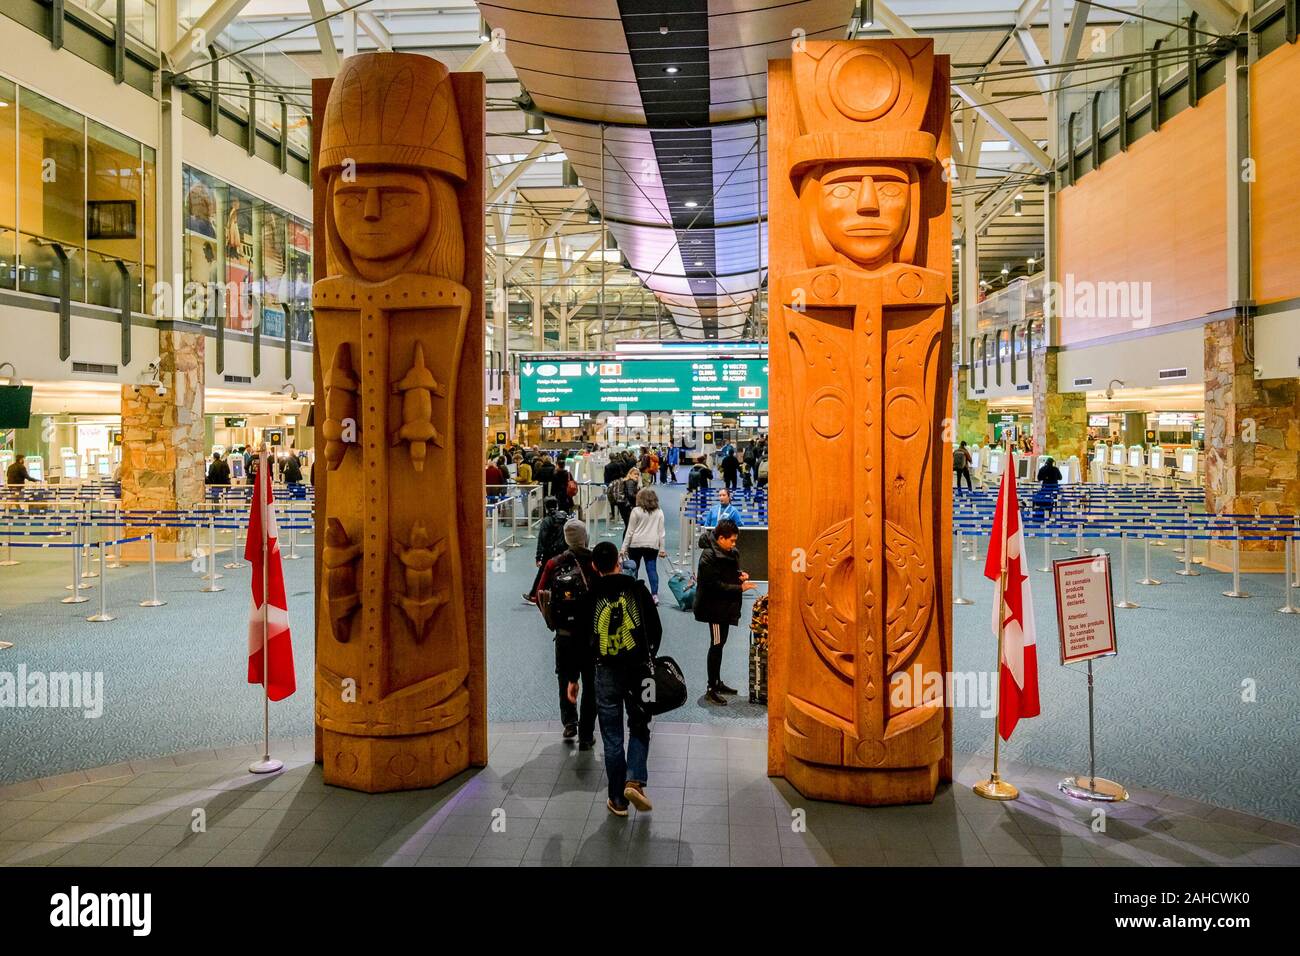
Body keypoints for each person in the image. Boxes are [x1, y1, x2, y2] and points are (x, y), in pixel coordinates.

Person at [577, 540, 661, 816]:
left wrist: (574, 678)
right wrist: (648, 654)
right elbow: (655, 629)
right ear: (618, 561)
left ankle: (617, 798)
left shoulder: (590, 596)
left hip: (606, 672)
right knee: (640, 721)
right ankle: (634, 779)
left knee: (612, 736)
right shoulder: (637, 589)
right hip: (638, 670)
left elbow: (584, 640)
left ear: (593, 566)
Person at [538, 518, 597, 748]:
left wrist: (553, 618)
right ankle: (586, 733)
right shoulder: (594, 561)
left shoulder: (554, 564)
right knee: (590, 683)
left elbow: (539, 595)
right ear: (585, 537)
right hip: (591, 634)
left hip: (564, 634)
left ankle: (569, 722)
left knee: (565, 677)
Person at [694, 518, 756, 705]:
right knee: (717, 645)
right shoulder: (707, 556)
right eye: (732, 540)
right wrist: (740, 588)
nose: (734, 544)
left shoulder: (730, 552)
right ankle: (711, 688)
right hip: (713, 608)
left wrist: (740, 575)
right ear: (721, 538)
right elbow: (714, 585)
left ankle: (717, 683)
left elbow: (728, 574)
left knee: (720, 644)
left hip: (725, 607)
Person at [621, 487, 667, 605]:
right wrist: (662, 548)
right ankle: (654, 595)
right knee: (652, 569)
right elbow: (661, 533)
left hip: (635, 544)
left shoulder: (636, 511)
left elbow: (630, 531)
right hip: (652, 544)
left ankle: (632, 594)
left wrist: (623, 548)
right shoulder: (659, 512)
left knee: (633, 569)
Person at [525, 496, 568, 604]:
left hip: (550, 551)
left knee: (542, 574)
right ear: (557, 505)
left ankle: (534, 595)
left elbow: (542, 540)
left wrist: (538, 557)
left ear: (545, 507)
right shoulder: (564, 517)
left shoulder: (546, 521)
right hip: (563, 549)